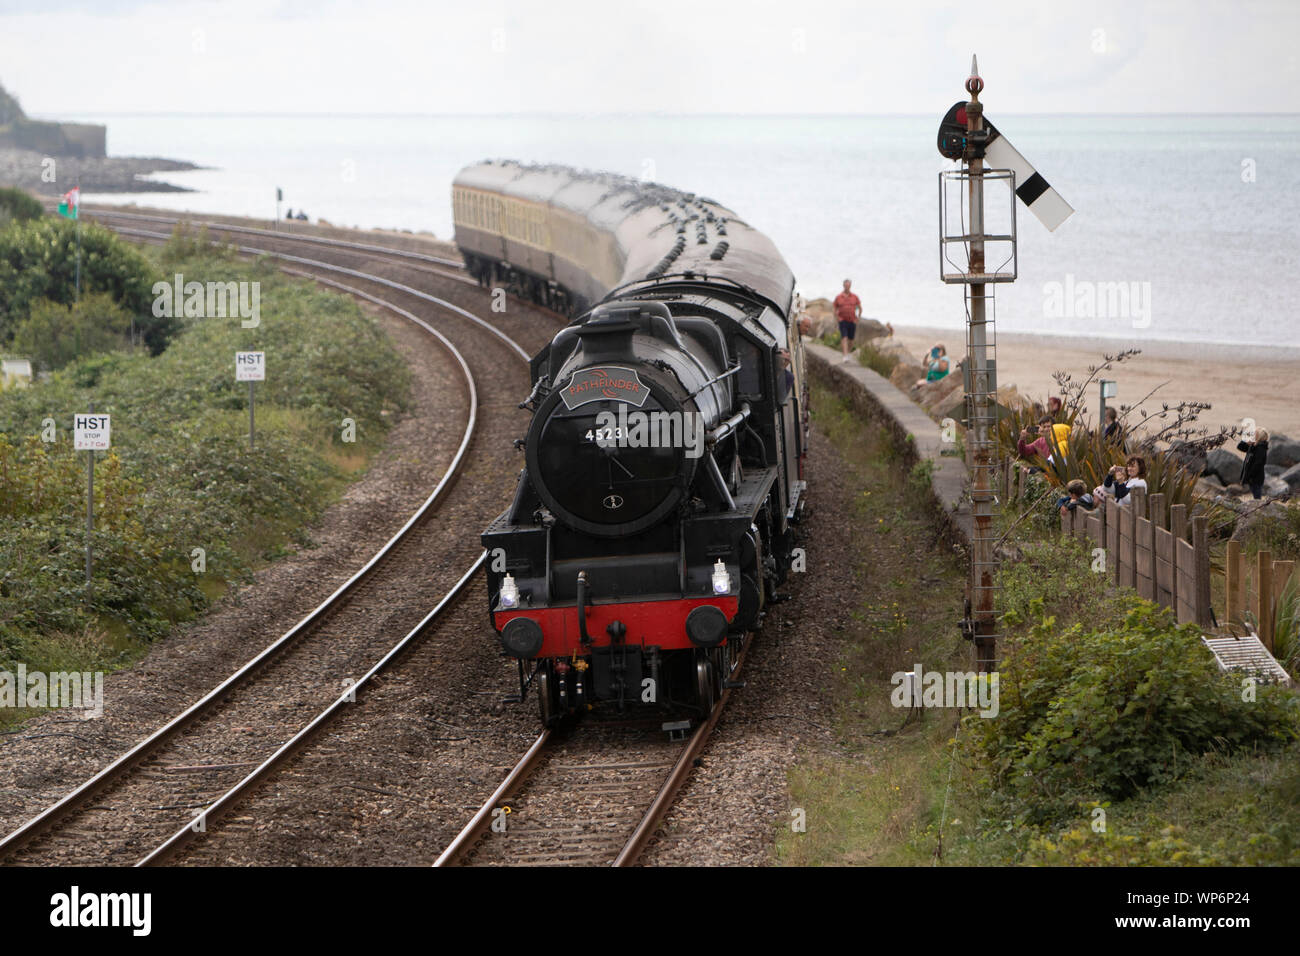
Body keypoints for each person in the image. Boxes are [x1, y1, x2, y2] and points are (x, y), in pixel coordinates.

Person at [833, 279, 861, 363]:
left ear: (850, 286)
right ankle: (845, 355)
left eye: (848, 285)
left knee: (851, 340)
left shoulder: (854, 297)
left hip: (852, 320)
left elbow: (860, 308)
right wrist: (837, 318)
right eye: (846, 285)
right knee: (844, 337)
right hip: (843, 320)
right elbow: (834, 308)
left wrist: (858, 318)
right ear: (843, 286)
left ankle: (848, 353)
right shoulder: (839, 297)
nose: (847, 287)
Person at [1237, 429, 1269, 499]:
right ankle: (1257, 507)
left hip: (1256, 477)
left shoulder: (1261, 448)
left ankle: (1259, 508)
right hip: (1252, 476)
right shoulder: (1253, 446)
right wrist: (1245, 440)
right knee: (1254, 493)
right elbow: (1240, 447)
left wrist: (1250, 476)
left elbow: (1258, 464)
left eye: (1255, 435)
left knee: (1257, 496)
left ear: (1259, 437)